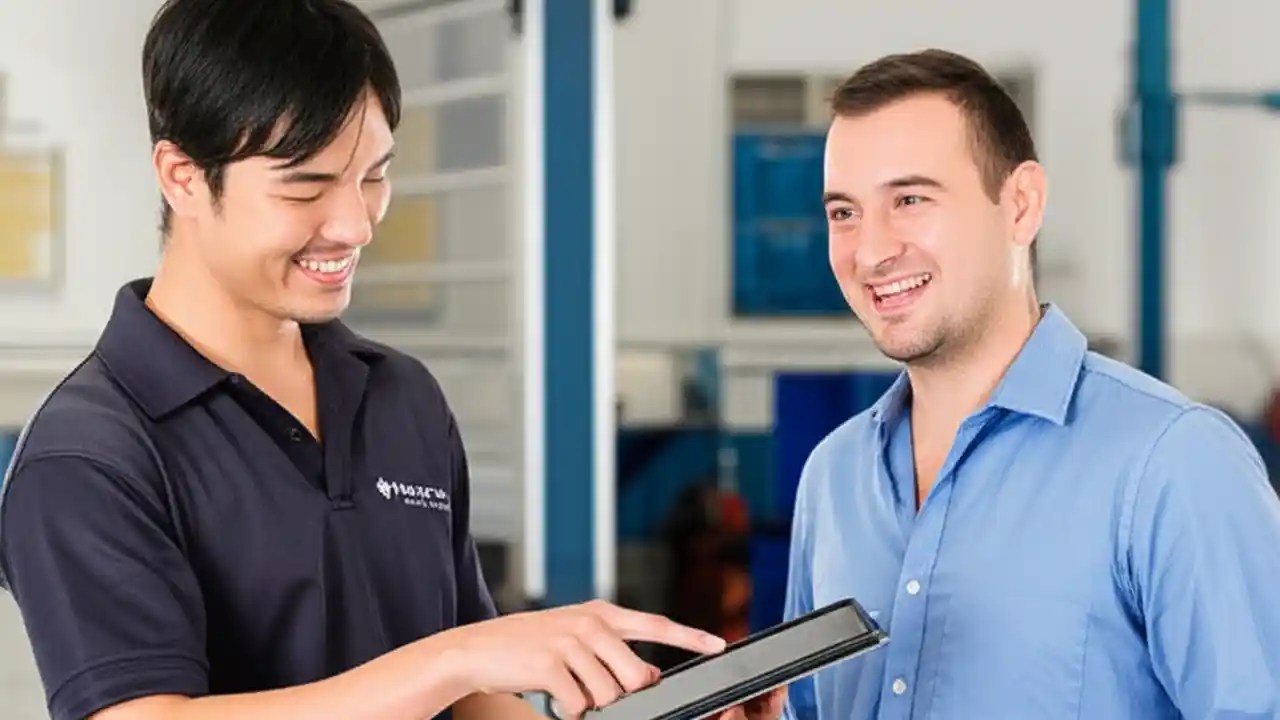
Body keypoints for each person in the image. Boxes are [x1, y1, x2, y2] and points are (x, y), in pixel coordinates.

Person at [0, 2, 787, 719]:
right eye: (306, 187)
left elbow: (473, 701)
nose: (354, 224)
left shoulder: (400, 397)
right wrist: (448, 660)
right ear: (182, 178)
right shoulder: (88, 455)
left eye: (373, 176)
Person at [782, 48, 1280, 719]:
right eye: (844, 213)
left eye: (909, 199)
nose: (869, 251)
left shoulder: (1172, 463)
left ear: (1020, 205)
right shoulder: (833, 479)